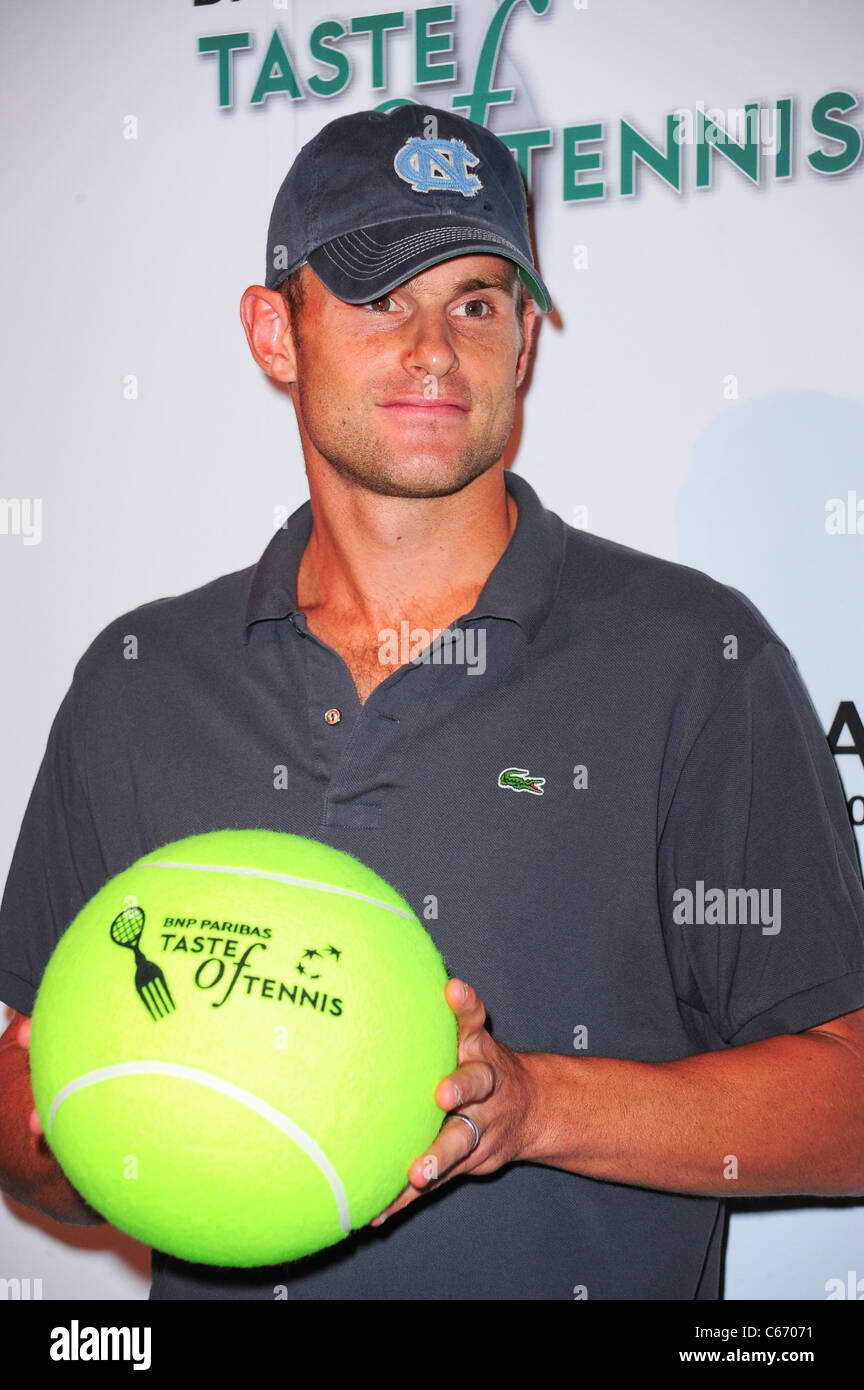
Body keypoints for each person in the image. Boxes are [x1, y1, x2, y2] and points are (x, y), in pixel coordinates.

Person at [1, 103, 863, 1302]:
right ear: (273, 332)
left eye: (475, 301)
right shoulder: (141, 676)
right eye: (376, 297)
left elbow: (849, 1103)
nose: (432, 348)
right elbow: (26, 1115)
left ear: (523, 344)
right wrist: (129, 1118)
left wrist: (534, 1103)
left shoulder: (692, 657)